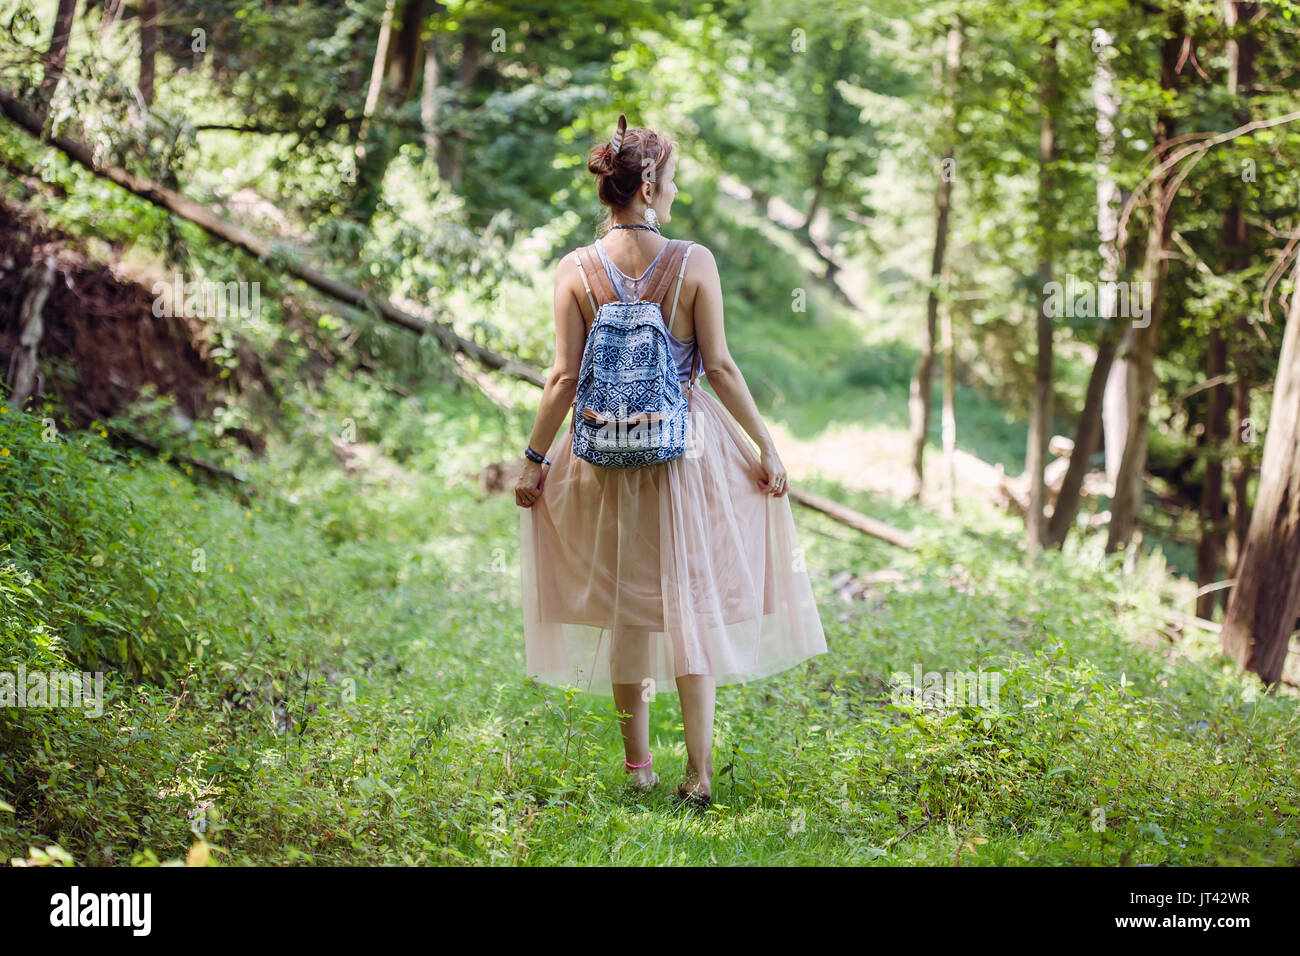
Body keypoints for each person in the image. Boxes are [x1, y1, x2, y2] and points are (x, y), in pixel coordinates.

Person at [515, 115, 827, 809]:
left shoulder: (574, 269)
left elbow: (564, 379)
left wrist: (534, 460)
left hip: (603, 451)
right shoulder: (694, 262)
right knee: (690, 602)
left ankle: (638, 767)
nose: (677, 189)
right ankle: (701, 774)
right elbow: (717, 365)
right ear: (650, 184)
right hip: (684, 449)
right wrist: (763, 446)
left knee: (628, 604)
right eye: (674, 177)